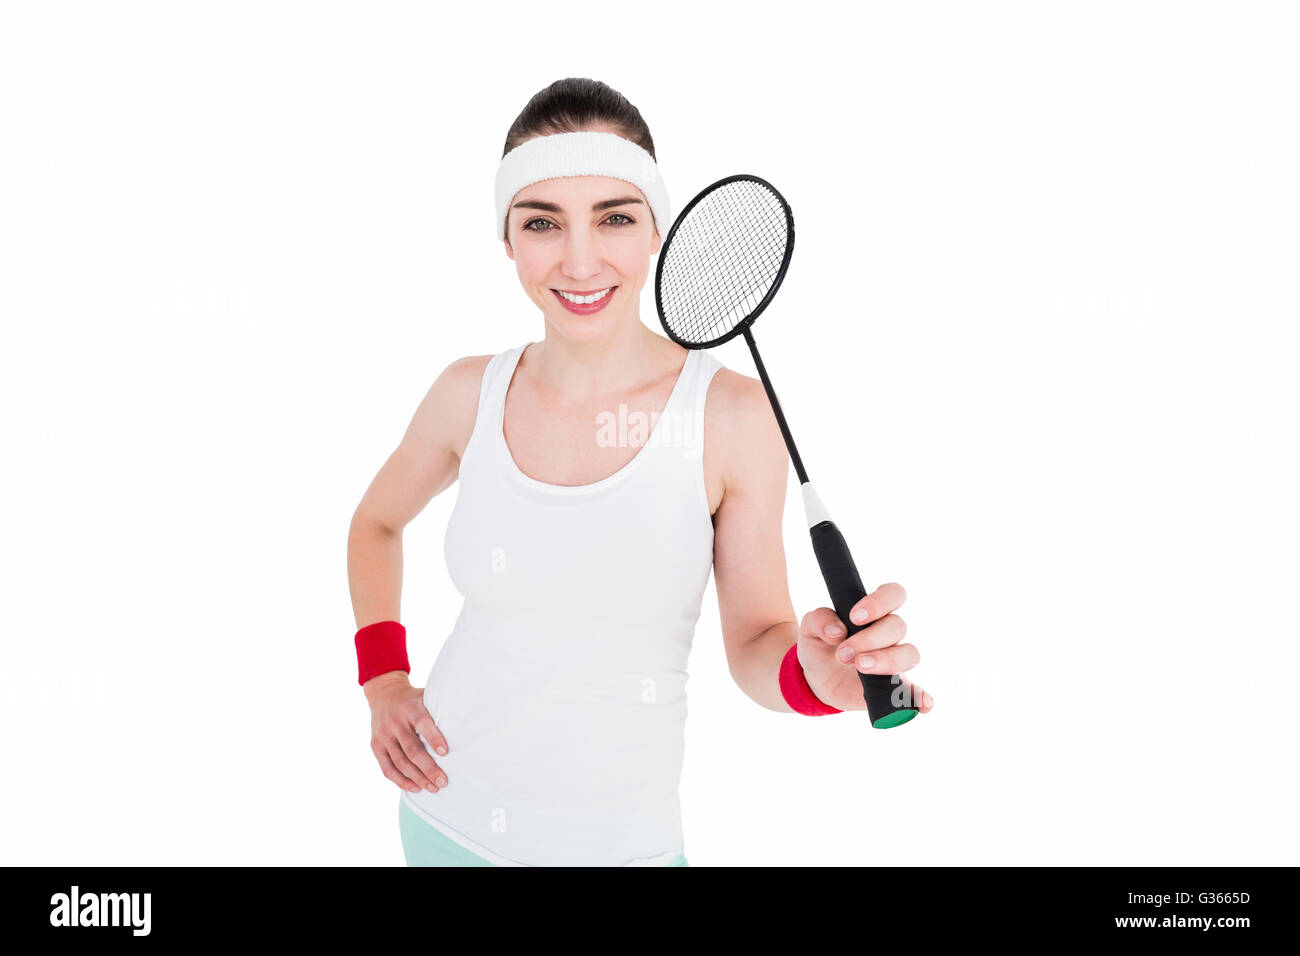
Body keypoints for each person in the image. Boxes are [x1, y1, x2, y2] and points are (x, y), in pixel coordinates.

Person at [347, 77, 934, 867]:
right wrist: (384, 680)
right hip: (444, 818)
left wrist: (812, 679)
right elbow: (376, 522)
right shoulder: (467, 393)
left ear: (655, 228)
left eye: (614, 218)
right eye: (542, 222)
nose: (580, 260)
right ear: (507, 240)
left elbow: (759, 640)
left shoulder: (728, 414)